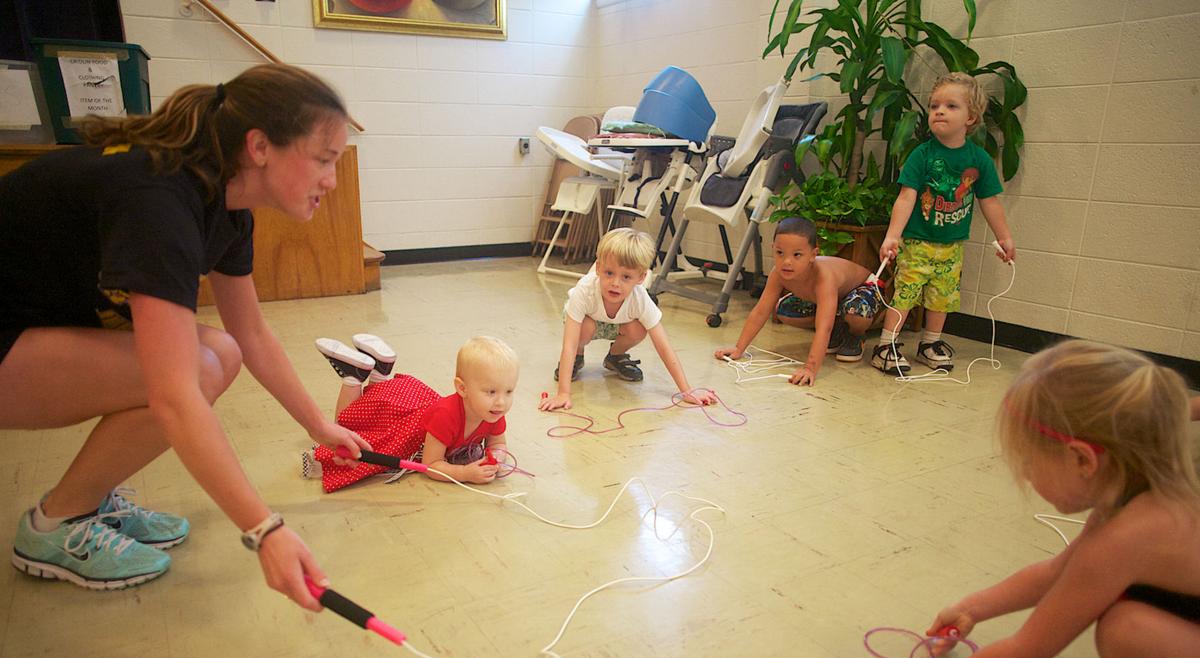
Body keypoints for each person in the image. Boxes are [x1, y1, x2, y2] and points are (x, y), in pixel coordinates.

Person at [0, 64, 370, 610]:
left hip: (29, 330)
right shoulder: (158, 199)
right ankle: (53, 525)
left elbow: (251, 333)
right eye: (323, 159)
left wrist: (319, 425)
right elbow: (173, 396)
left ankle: (86, 498)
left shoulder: (225, 201)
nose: (332, 179)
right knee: (192, 372)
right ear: (260, 146)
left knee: (220, 352)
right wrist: (264, 530)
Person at [874, 340, 1200, 658]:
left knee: (1125, 634)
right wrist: (974, 607)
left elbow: (1028, 649)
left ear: (1082, 459)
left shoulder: (1131, 535)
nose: (1024, 476)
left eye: (1028, 461)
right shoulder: (1135, 499)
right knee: (1128, 625)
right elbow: (1056, 573)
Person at [873, 72, 1015, 375]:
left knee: (943, 296)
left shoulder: (979, 160)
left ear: (971, 117)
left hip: (952, 245)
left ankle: (931, 343)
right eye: (935, 105)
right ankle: (887, 345)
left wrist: (1004, 237)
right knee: (906, 293)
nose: (939, 111)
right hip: (916, 242)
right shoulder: (921, 155)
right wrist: (892, 236)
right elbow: (906, 198)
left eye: (951, 106)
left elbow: (989, 201)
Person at [306, 335, 517, 491]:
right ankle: (353, 376)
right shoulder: (447, 416)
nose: (501, 401)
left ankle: (380, 368)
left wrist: (498, 456)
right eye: (491, 392)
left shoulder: (493, 411)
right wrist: (464, 474)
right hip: (403, 424)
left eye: (509, 391)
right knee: (351, 427)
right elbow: (431, 464)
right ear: (462, 389)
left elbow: (497, 443)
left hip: (411, 403)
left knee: (374, 406)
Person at [539, 227, 716, 411]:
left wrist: (686, 391)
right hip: (586, 322)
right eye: (609, 273)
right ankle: (579, 356)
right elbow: (569, 344)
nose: (615, 283)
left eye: (626, 277)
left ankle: (615, 357)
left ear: (641, 277)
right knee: (584, 329)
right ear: (598, 268)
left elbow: (663, 345)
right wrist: (563, 394)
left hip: (617, 324)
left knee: (639, 328)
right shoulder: (585, 290)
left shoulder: (640, 299)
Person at [713, 216, 881, 385]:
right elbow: (761, 311)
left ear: (813, 255)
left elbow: (824, 327)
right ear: (773, 249)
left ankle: (855, 336)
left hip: (865, 286)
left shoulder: (824, 278)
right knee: (784, 310)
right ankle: (840, 327)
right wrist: (739, 348)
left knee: (855, 312)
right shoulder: (777, 273)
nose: (787, 262)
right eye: (780, 253)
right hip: (831, 300)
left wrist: (810, 368)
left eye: (797, 255)